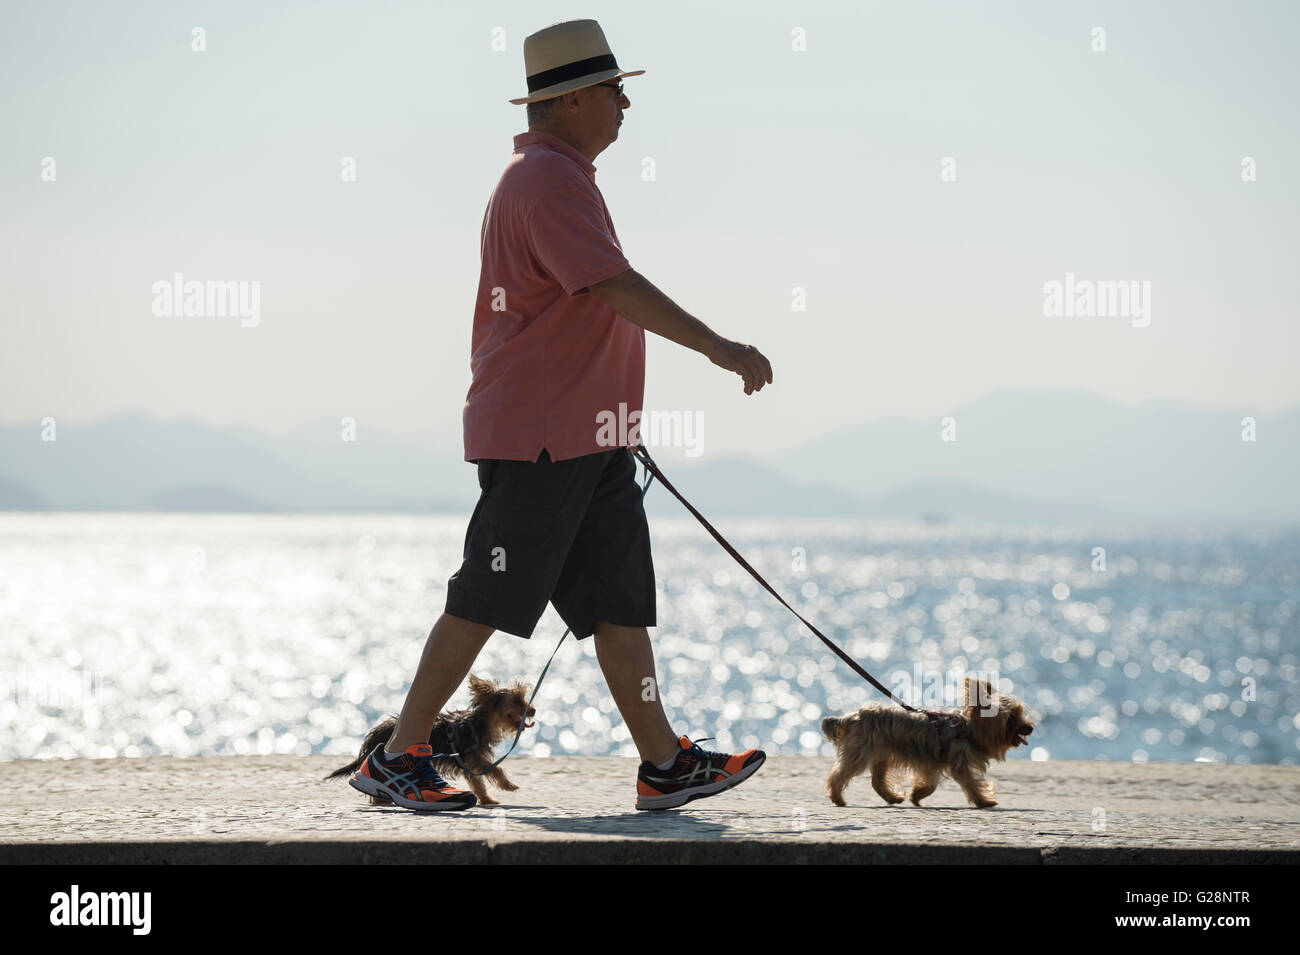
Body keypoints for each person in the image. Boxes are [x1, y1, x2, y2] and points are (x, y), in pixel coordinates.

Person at [355, 19, 773, 812]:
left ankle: (664, 762)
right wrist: (720, 347)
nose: (624, 105)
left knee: (618, 602)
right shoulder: (546, 182)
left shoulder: (556, 177)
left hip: (588, 437)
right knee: (485, 593)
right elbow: (612, 285)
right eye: (616, 91)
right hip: (545, 441)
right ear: (575, 98)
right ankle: (400, 755)